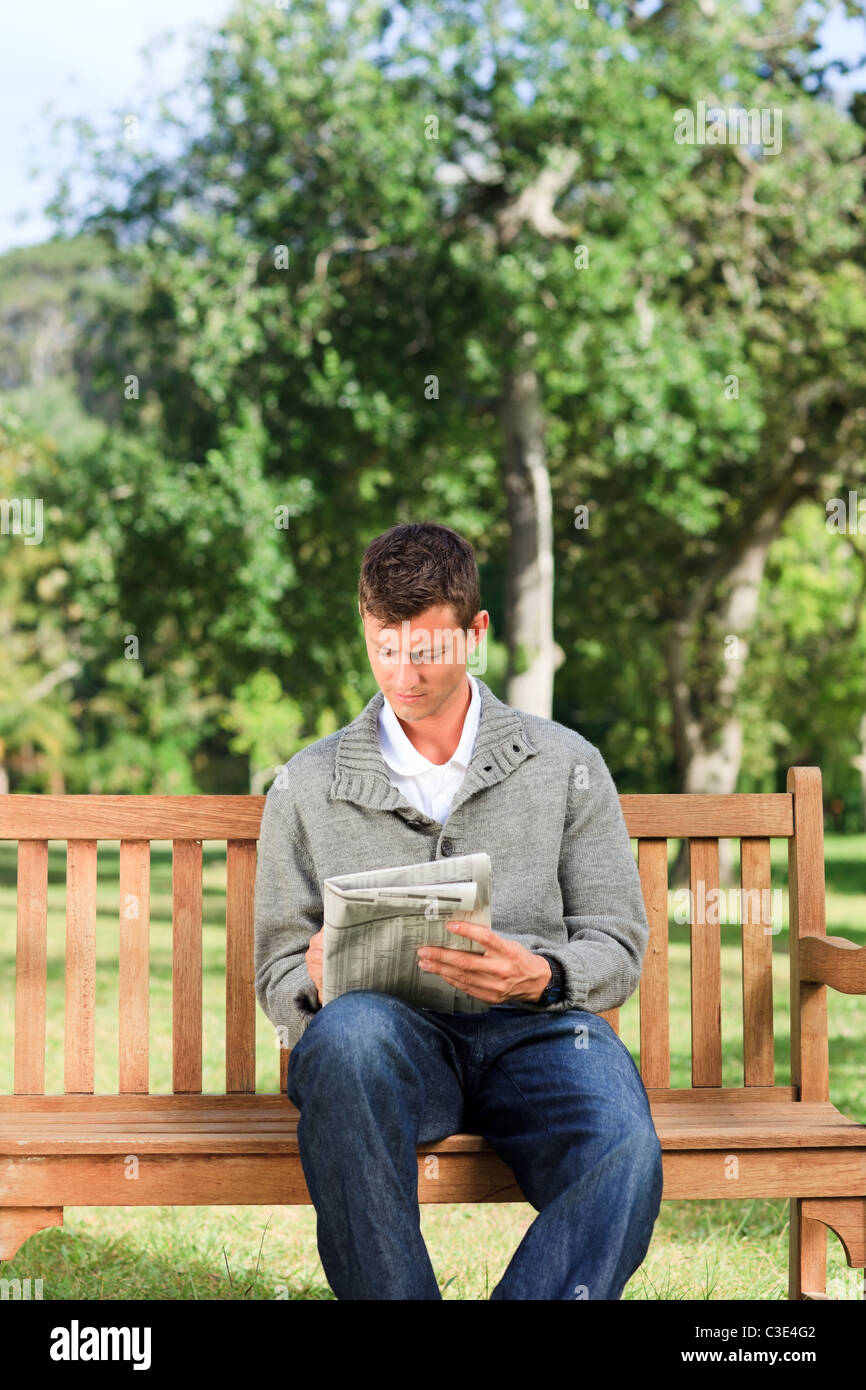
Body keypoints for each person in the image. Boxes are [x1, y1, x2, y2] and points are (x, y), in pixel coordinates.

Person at [254, 520, 663, 1300]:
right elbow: (276, 969)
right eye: (385, 647)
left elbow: (617, 938)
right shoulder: (305, 784)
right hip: (388, 1040)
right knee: (345, 1038)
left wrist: (544, 974)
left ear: (475, 634)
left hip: (543, 1032)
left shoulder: (567, 763)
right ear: (365, 630)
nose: (403, 675)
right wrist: (310, 978)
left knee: (624, 1148)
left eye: (427, 650)